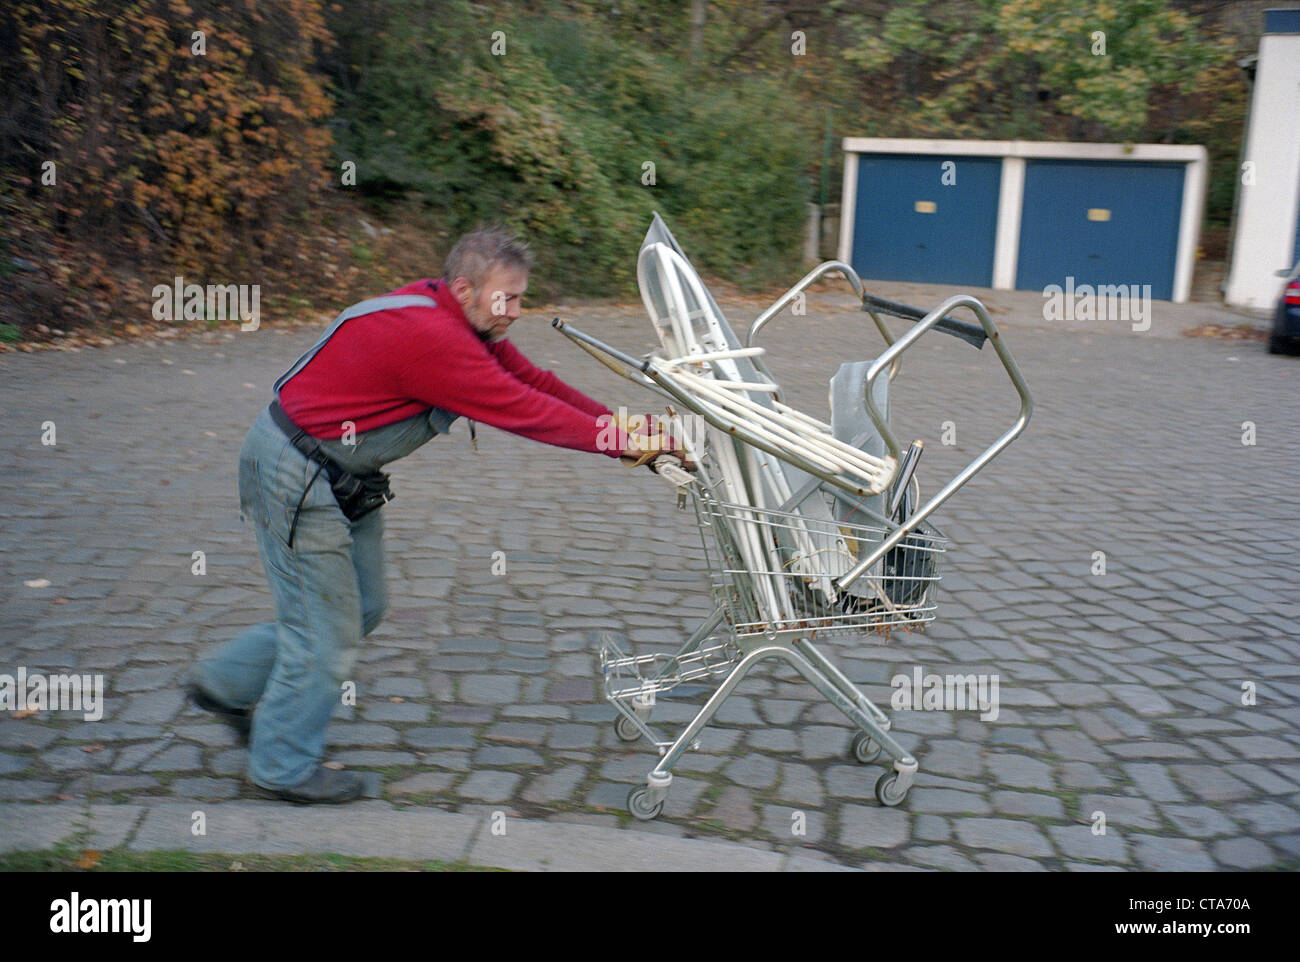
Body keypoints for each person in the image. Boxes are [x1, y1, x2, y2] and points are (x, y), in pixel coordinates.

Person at [185, 226, 689, 804]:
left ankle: (224, 683)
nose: (517, 312)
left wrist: (634, 431)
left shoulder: (463, 318)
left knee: (365, 606)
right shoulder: (434, 338)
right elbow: (524, 410)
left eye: (522, 298)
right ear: (464, 288)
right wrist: (629, 445)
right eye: (509, 298)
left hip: (341, 474)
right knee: (325, 634)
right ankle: (281, 767)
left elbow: (535, 382)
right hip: (294, 474)